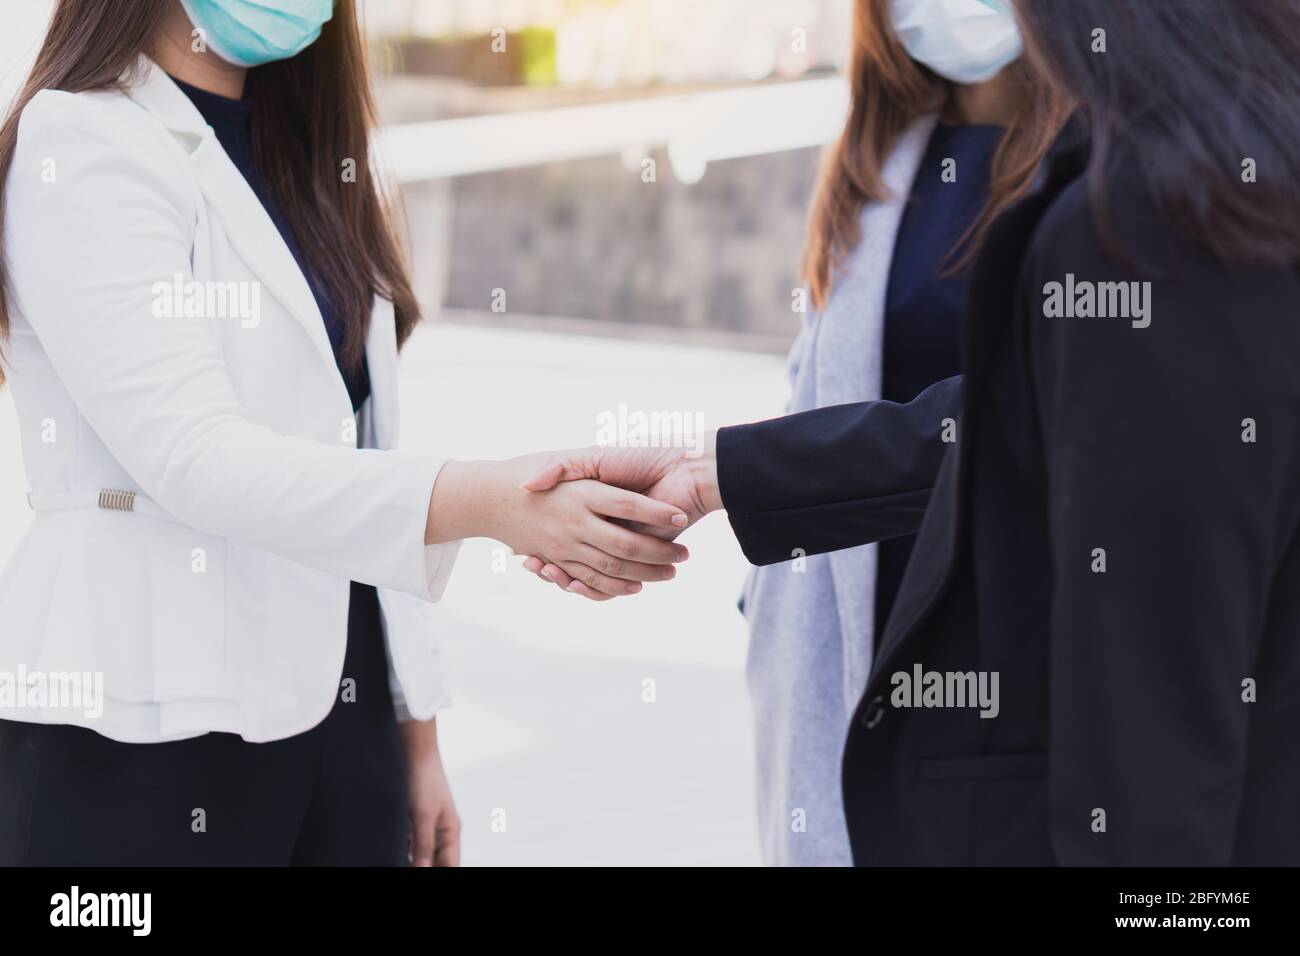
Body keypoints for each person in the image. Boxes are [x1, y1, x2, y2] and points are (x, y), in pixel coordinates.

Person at [524, 0, 1300, 865]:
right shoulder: (1198, 174)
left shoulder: (1142, 214)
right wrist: (726, 476)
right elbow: (1013, 411)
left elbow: (1157, 748)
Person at [0, 0, 688, 866]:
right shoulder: (83, 140)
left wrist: (414, 732)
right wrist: (492, 501)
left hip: (341, 719)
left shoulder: (317, 156)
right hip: (145, 724)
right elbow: (193, 456)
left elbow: (362, 448)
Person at [745, 0, 1063, 865]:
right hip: (851, 631)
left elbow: (1044, 406)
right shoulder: (876, 153)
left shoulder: (1093, 164)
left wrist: (738, 475)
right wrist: (763, 601)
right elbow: (816, 379)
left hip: (1006, 644)